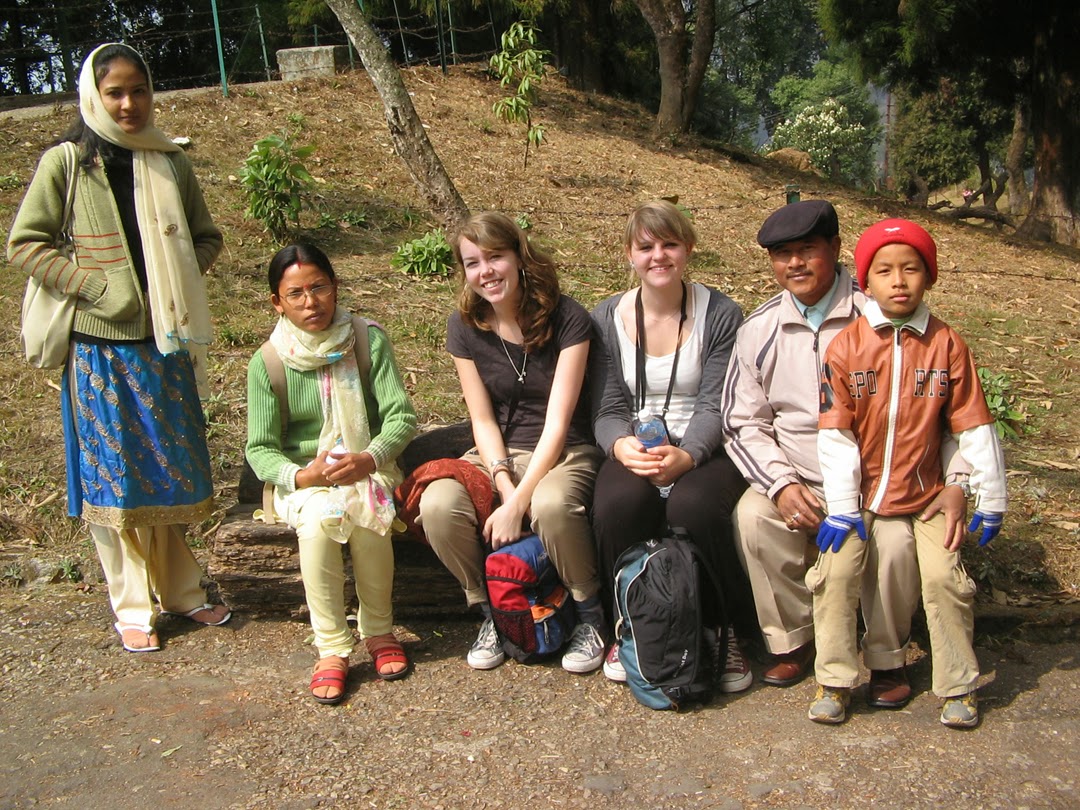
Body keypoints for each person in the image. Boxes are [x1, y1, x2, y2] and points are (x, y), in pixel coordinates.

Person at [7, 43, 229, 653]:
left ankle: (183, 592)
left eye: (139, 90)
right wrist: (97, 288)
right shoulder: (69, 163)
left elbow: (206, 237)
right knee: (113, 481)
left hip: (165, 345)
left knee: (167, 469)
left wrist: (179, 277)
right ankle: (132, 604)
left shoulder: (168, 161)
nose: (130, 104)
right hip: (99, 351)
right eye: (116, 92)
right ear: (93, 96)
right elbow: (25, 246)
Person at [722, 200, 969, 705]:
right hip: (797, 472)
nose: (795, 264)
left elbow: (952, 414)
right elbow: (742, 421)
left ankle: (885, 655)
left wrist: (959, 480)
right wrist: (781, 484)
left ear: (835, 250)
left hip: (877, 478)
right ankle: (795, 639)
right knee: (753, 518)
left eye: (807, 250)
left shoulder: (882, 314)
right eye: (782, 254)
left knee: (895, 545)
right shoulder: (759, 329)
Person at [810, 218, 1007, 728]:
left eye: (911, 269)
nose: (898, 281)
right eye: (884, 271)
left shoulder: (948, 346)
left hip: (927, 493)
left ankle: (959, 685)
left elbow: (972, 427)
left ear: (930, 276)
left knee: (946, 579)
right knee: (835, 572)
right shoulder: (846, 347)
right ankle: (833, 679)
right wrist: (841, 506)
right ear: (865, 281)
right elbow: (835, 434)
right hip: (862, 496)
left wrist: (987, 496)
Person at [417, 212, 607, 674]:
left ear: (519, 258)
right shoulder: (464, 326)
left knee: (552, 505)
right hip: (496, 454)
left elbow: (559, 423)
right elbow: (481, 419)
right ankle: (493, 612)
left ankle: (590, 615)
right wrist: (504, 487)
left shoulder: (569, 318)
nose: (486, 272)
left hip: (563, 451)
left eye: (495, 257)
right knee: (438, 504)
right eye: (472, 262)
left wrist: (520, 501)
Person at [591, 200, 754, 689]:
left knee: (695, 507)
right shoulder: (605, 318)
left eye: (670, 244)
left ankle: (722, 629)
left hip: (705, 448)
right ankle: (627, 625)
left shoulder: (721, 314)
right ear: (629, 254)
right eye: (646, 246)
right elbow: (605, 408)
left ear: (688, 250)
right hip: (635, 447)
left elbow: (717, 403)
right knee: (617, 504)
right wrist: (620, 448)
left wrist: (688, 456)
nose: (658, 256)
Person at [246, 243, 418, 705]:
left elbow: (400, 417)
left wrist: (370, 457)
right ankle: (333, 648)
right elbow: (259, 449)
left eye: (319, 287)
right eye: (296, 293)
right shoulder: (268, 361)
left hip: (368, 467)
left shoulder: (367, 339)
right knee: (323, 517)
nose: (311, 302)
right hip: (303, 479)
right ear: (277, 302)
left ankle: (379, 631)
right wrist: (304, 477)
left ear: (335, 287)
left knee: (367, 509)